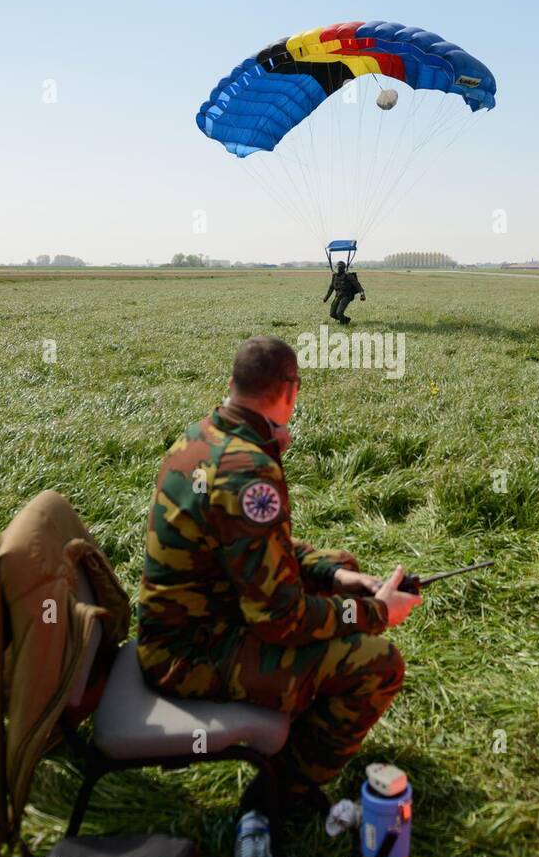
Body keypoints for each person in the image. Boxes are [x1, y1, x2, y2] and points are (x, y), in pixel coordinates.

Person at [137, 336, 420, 818]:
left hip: (193, 622)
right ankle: (279, 793)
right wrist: (376, 613)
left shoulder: (201, 435)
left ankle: (296, 719)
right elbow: (279, 620)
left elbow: (260, 552)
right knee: (379, 664)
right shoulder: (250, 470)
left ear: (232, 384)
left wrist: (335, 578)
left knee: (344, 566)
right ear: (291, 391)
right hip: (190, 654)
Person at [323, 259, 365, 325]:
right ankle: (346, 320)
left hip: (346, 296)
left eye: (340, 267)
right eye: (337, 267)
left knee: (339, 312)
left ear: (343, 268)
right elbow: (331, 288)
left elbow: (357, 285)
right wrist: (326, 297)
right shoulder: (335, 276)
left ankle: (343, 325)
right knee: (332, 314)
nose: (338, 269)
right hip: (338, 296)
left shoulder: (348, 276)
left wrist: (362, 294)